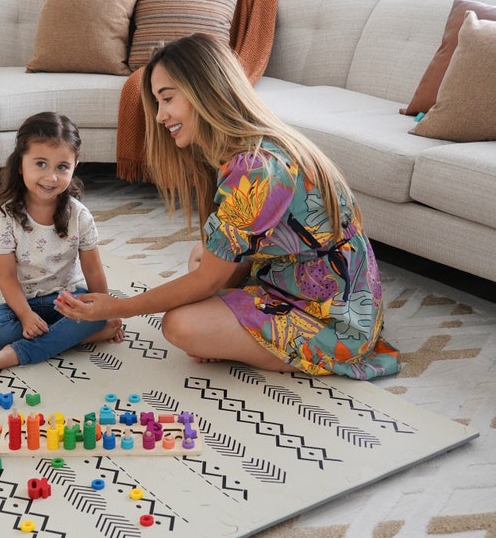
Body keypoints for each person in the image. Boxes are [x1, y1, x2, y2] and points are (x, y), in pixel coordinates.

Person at [56, 34, 400, 380]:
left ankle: (288, 351)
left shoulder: (256, 168)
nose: (160, 116)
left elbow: (209, 281)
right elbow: (221, 260)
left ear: (203, 89)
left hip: (334, 317)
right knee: (201, 256)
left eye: (167, 99)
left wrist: (120, 306)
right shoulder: (246, 147)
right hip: (295, 278)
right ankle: (234, 335)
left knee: (180, 325)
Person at [0, 112, 123, 376]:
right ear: (20, 163)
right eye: (41, 164)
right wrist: (24, 316)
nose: (51, 177)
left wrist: (105, 310)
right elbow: (7, 277)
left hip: (68, 297)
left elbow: (93, 271)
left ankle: (19, 353)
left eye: (62, 167)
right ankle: (77, 337)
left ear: (75, 165)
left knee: (95, 312)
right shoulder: (6, 217)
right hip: (24, 302)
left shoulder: (79, 216)